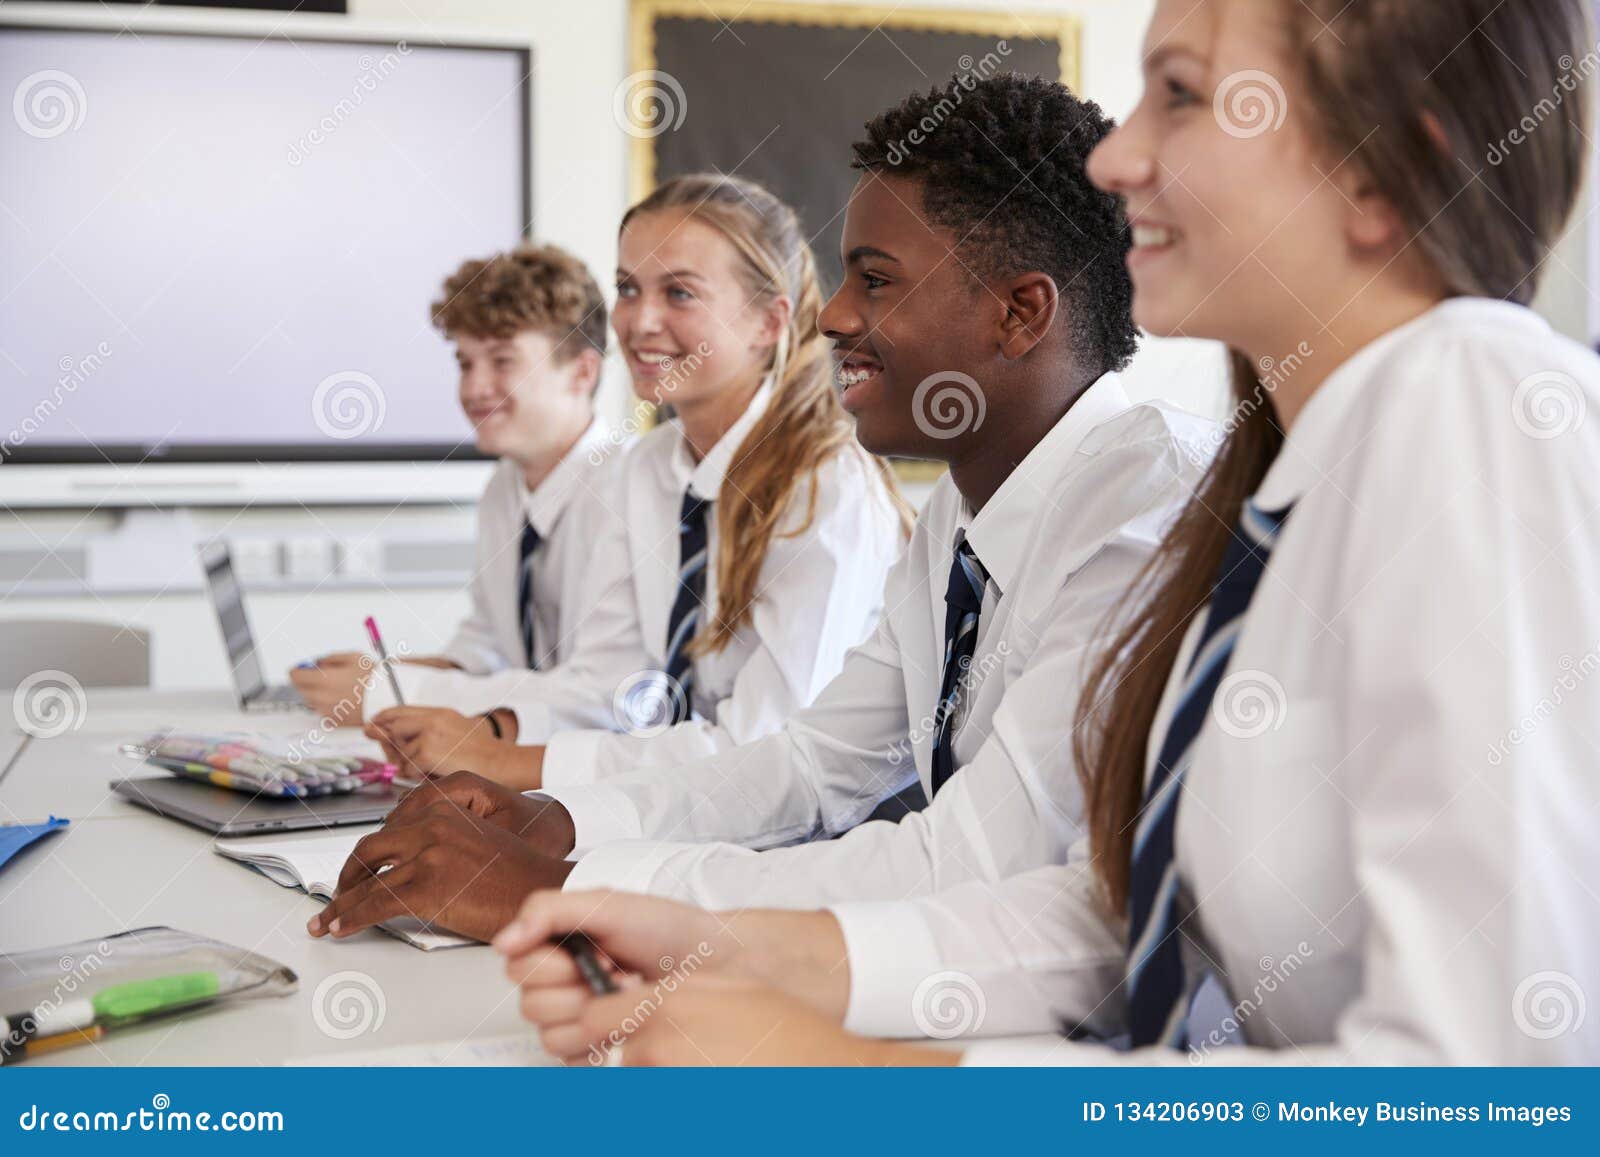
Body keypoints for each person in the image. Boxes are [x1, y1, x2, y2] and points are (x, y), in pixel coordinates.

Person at [497, 0, 1600, 1066]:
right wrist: (725, 941)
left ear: (1375, 170)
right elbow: (1126, 914)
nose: (1118, 160)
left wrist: (863, 1075)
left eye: (1180, 95)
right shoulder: (1275, 492)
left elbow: (1490, 1086)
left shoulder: (1473, 394)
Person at [308, 73, 1217, 941]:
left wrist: (564, 891)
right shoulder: (961, 514)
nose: (835, 317)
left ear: (1019, 314)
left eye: (877, 279)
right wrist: (556, 819)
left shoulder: (1146, 512)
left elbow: (972, 862)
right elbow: (810, 762)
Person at [356, 175, 909, 786]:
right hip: (668, 804)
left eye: (679, 293)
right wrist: (483, 734)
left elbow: (765, 753)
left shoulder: (824, 489)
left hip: (800, 835)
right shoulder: (645, 469)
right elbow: (607, 687)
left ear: (768, 322)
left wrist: (503, 760)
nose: (641, 321)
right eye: (627, 288)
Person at [289, 245, 619, 724]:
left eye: (502, 361)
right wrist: (384, 674)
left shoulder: (625, 493)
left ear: (582, 372)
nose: (473, 388)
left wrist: (395, 692)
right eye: (465, 364)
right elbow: (489, 647)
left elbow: (596, 696)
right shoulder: (504, 489)